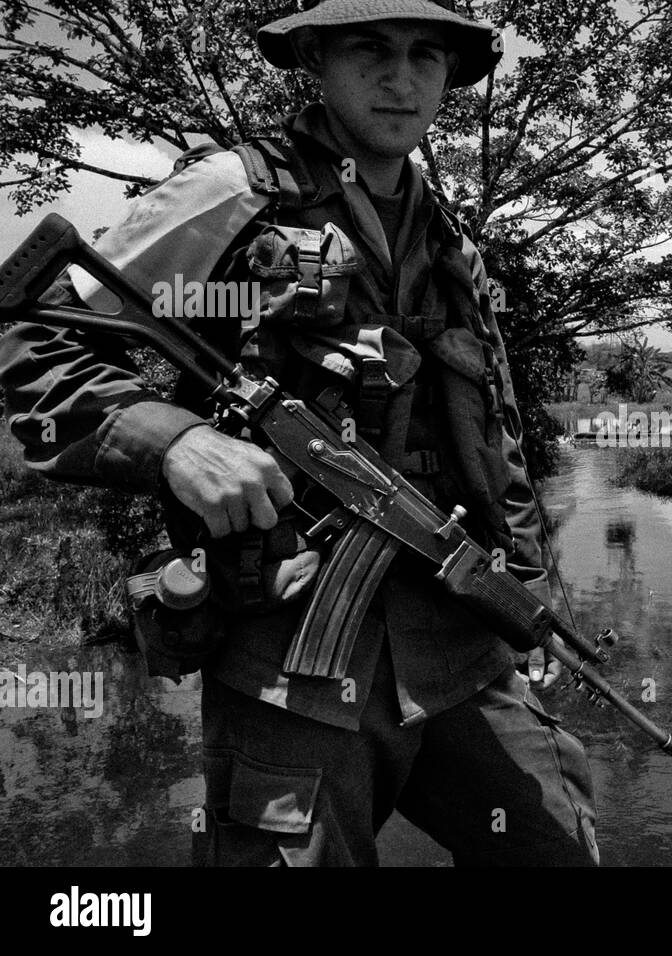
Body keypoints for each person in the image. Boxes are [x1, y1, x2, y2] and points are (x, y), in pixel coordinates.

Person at [0, 0, 597, 866]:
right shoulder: (232, 194)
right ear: (315, 59)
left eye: (425, 53)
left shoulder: (450, 241)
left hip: (461, 647)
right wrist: (174, 442)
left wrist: (531, 611)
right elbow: (37, 327)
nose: (401, 77)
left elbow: (496, 441)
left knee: (556, 846)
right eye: (371, 48)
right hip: (294, 652)